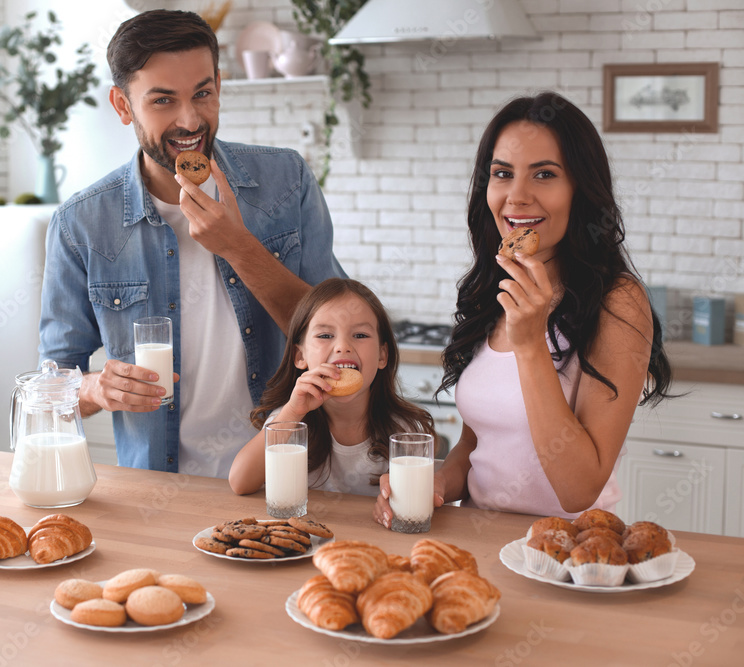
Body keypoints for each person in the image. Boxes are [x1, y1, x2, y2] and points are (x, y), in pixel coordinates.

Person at [38, 10, 345, 477]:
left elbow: (340, 341)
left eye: (202, 93)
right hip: (163, 492)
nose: (190, 120)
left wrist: (239, 247)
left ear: (219, 86)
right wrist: (95, 389)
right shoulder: (80, 224)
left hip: (292, 478)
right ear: (123, 106)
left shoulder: (287, 180)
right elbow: (50, 389)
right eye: (163, 101)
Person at [374, 92, 673, 525]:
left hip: (567, 556)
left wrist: (531, 343)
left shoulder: (618, 301)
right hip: (476, 542)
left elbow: (578, 489)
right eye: (503, 174)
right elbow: (475, 447)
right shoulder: (495, 291)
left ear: (580, 188)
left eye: (544, 174)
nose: (517, 196)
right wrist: (438, 482)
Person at [229, 278, 434, 497]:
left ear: (382, 355)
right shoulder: (288, 422)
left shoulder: (405, 431)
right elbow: (241, 482)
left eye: (360, 335)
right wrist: (293, 412)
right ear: (300, 356)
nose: (343, 346)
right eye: (325, 335)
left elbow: (417, 504)